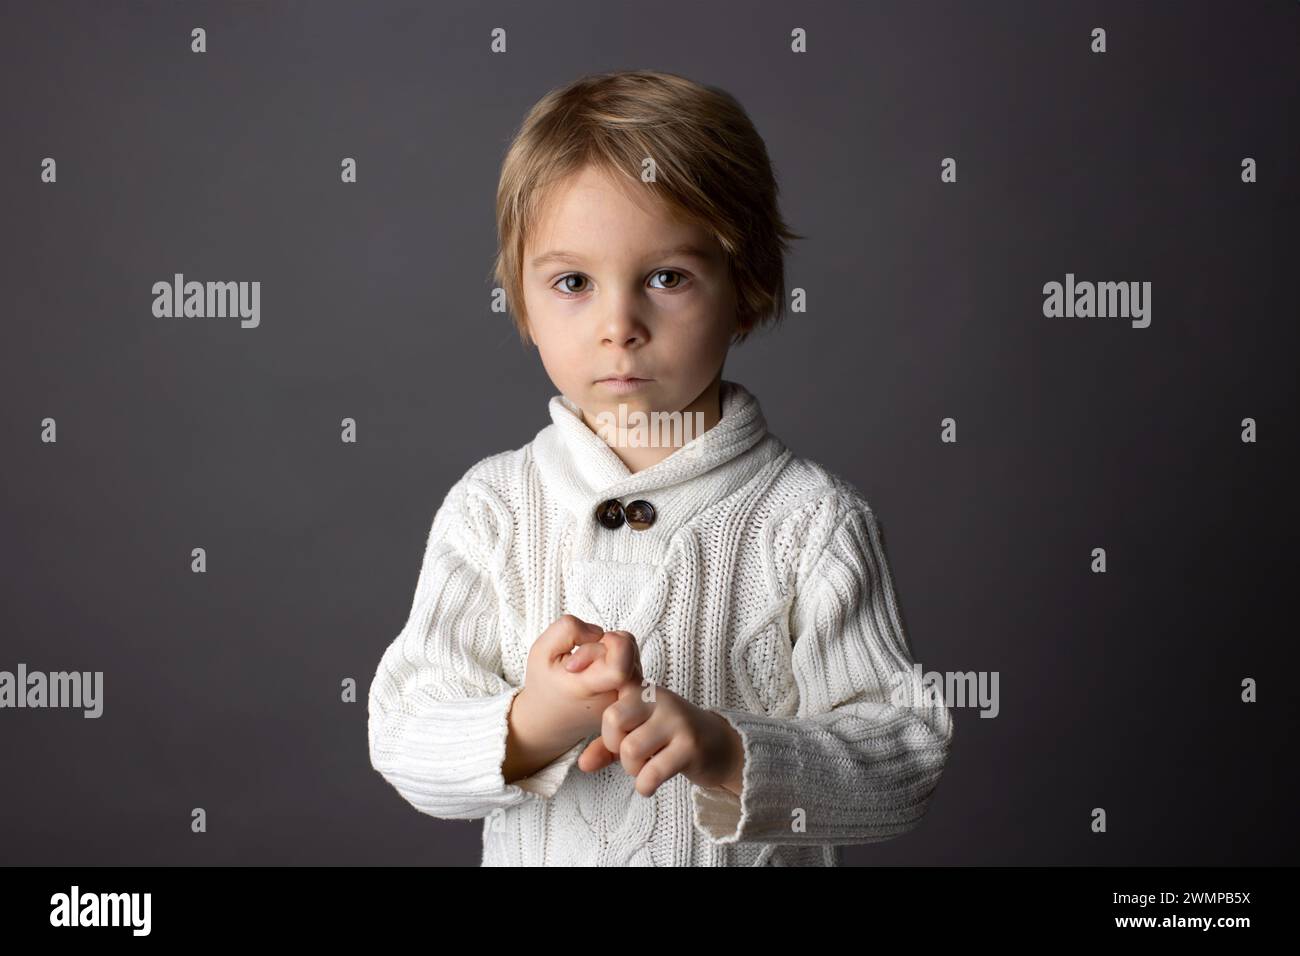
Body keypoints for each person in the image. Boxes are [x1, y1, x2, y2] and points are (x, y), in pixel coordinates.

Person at [367, 69, 955, 866]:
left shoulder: (812, 521)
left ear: (744, 292)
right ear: (524, 303)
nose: (619, 325)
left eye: (666, 278)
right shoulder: (492, 510)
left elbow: (904, 757)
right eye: (573, 282)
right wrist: (535, 722)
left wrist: (726, 751)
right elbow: (402, 734)